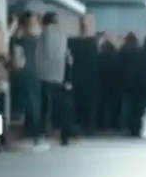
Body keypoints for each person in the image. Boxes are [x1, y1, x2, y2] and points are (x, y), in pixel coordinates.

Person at [36, 11, 73, 147]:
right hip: (60, 76)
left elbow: (39, 55)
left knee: (44, 107)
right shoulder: (62, 35)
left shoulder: (43, 34)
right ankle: (64, 136)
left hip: (45, 76)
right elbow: (68, 57)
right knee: (62, 107)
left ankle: (42, 133)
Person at [9, 11, 42, 147]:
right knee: (33, 103)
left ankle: (28, 131)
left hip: (24, 72)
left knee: (26, 103)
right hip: (33, 72)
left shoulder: (20, 39)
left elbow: (17, 57)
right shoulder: (34, 39)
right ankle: (34, 132)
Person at [69, 16, 101, 136]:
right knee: (89, 103)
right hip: (91, 78)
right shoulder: (93, 43)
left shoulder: (72, 42)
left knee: (78, 103)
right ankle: (88, 127)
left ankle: (78, 126)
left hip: (77, 77)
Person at [117, 31, 145, 137]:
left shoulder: (122, 50)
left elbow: (117, 66)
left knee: (127, 105)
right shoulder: (140, 51)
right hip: (139, 84)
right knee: (137, 109)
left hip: (125, 83)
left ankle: (126, 127)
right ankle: (136, 128)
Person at [97, 31, 121, 131]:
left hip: (102, 83)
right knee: (114, 105)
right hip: (114, 83)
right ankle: (114, 124)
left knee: (102, 105)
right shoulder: (116, 55)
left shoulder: (100, 54)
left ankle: (101, 124)